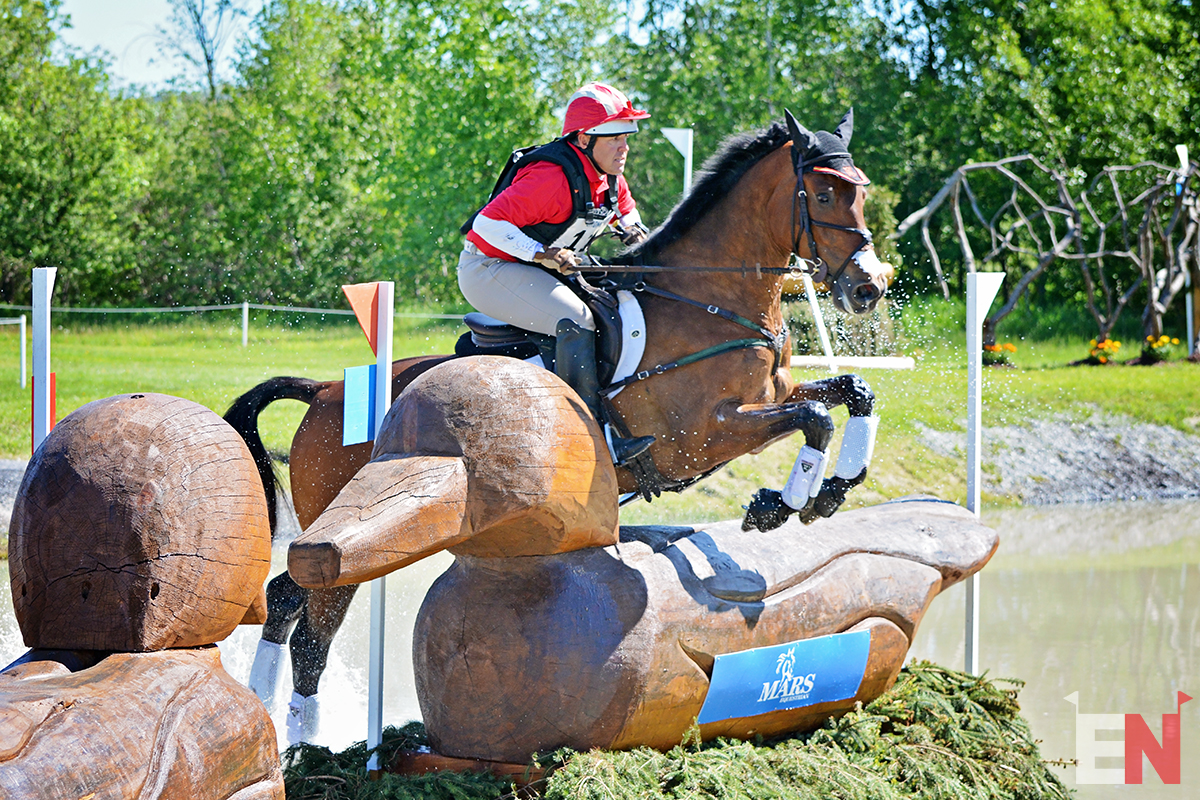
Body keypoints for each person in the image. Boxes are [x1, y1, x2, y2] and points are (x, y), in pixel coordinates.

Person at [458, 82, 654, 465]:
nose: (624, 147)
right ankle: (587, 440)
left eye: (627, 136)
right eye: (614, 138)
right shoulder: (551, 176)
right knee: (576, 319)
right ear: (584, 139)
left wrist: (633, 230)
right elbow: (485, 226)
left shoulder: (609, 175)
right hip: (490, 267)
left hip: (537, 271)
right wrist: (542, 252)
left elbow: (627, 214)